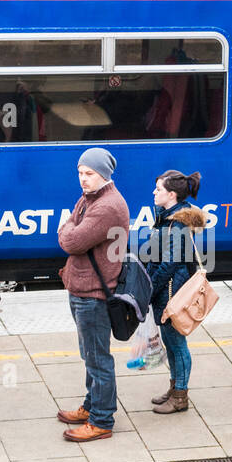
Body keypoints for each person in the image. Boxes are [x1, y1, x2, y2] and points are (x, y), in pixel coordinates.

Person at [56, 148, 131, 441]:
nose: (83, 179)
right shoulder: (91, 198)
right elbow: (72, 229)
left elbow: (71, 240)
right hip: (82, 289)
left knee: (98, 359)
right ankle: (91, 406)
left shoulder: (107, 206)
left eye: (89, 174)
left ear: (104, 175)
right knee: (89, 355)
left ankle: (101, 420)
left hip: (94, 294)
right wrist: (70, 227)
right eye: (80, 173)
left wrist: (68, 228)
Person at [143, 170, 206, 414]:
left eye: (158, 189)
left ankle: (180, 397)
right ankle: (174, 388)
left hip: (172, 293)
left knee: (177, 344)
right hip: (167, 291)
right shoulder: (166, 218)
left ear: (171, 195)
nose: (153, 193)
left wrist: (149, 289)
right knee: (170, 343)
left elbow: (169, 264)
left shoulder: (176, 225)